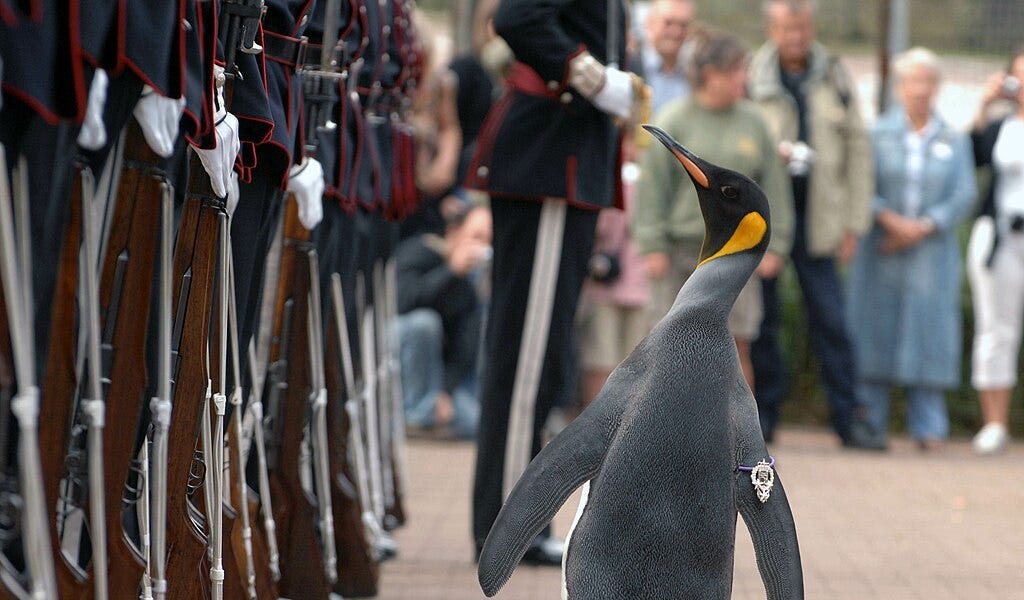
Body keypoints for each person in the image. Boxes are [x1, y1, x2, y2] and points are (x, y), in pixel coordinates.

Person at [464, 0, 643, 566]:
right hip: (550, 161)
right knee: (525, 360)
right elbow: (516, 17)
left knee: (542, 362)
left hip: (566, 161)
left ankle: (519, 517)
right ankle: (506, 523)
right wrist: (591, 77)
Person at [746, 0, 881, 448]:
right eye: (787, 28)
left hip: (821, 219)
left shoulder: (835, 76)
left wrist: (854, 223)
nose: (796, 37)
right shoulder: (751, 76)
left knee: (831, 321)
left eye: (802, 27)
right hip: (767, 220)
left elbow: (859, 152)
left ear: (812, 27)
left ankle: (849, 417)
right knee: (763, 321)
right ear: (772, 29)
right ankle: (763, 418)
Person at [633, 28, 793, 389]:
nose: (744, 78)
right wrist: (651, 243)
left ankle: (739, 425)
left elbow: (774, 187)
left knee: (736, 347)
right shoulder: (675, 119)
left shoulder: (753, 121)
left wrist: (777, 244)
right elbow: (652, 187)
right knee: (667, 348)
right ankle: (668, 423)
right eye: (736, 70)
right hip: (680, 254)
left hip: (736, 255)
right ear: (711, 74)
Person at [846, 48, 976, 451]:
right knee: (874, 326)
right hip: (881, 247)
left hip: (931, 251)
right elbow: (861, 185)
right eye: (912, 81)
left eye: (927, 81)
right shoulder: (877, 133)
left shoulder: (954, 139)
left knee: (930, 331)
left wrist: (923, 226)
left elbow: (964, 194)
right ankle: (870, 421)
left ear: (937, 87)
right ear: (900, 87)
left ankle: (929, 425)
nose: (920, 89)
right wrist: (890, 220)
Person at [966, 44, 1024, 455]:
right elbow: (971, 156)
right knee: (996, 329)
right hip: (1001, 236)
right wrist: (984, 104)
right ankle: (995, 422)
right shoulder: (1003, 126)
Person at [394, 204, 491, 439]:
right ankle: (415, 416)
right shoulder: (420, 251)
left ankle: (426, 416)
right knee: (424, 324)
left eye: (488, 241)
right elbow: (401, 302)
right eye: (476, 237)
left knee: (477, 423)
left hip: (434, 381)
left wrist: (445, 393)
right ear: (453, 232)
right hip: (395, 363)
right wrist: (450, 271)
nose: (481, 247)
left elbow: (463, 351)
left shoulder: (468, 289)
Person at [577, 136, 649, 411]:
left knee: (625, 364)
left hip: (633, 282)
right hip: (611, 285)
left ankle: (619, 426)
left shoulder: (636, 181)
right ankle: (603, 424)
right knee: (602, 361)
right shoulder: (614, 179)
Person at [641, 0, 697, 113]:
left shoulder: (696, 74)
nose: (676, 32)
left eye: (683, 25)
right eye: (668, 23)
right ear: (649, 23)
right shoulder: (628, 65)